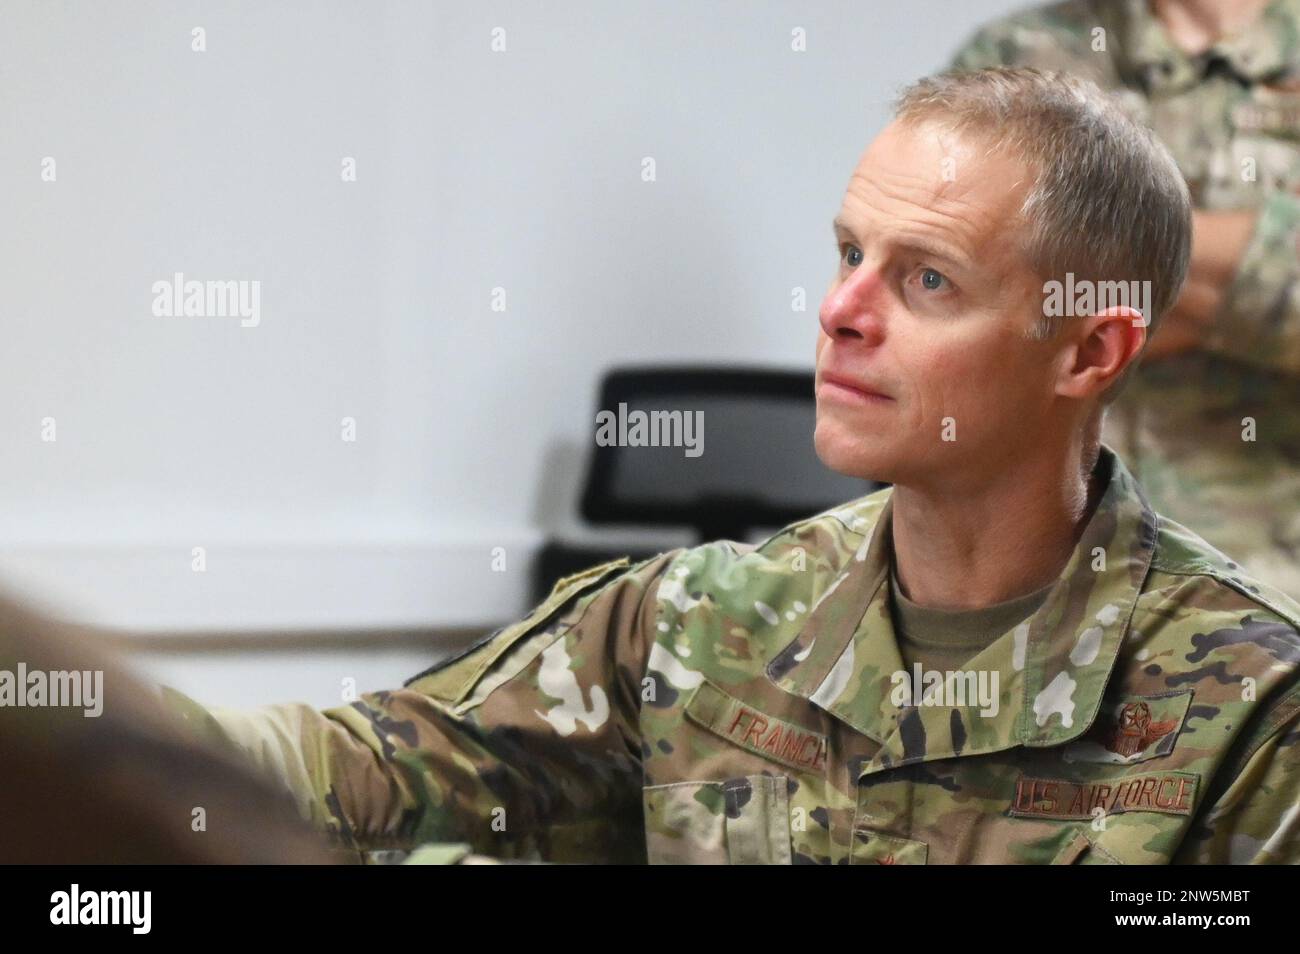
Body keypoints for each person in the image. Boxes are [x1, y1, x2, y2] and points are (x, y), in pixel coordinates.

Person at [164, 68, 1300, 864]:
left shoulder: (1248, 705)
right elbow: (362, 770)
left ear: (1087, 349)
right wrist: (78, 735)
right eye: (850, 254)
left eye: (928, 281)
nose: (840, 312)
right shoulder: (696, 627)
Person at [950, 0, 1300, 599]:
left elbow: (1011, 288)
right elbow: (949, 292)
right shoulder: (1018, 55)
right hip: (1040, 590)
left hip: (1273, 596)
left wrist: (1061, 274)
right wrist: (1257, 275)